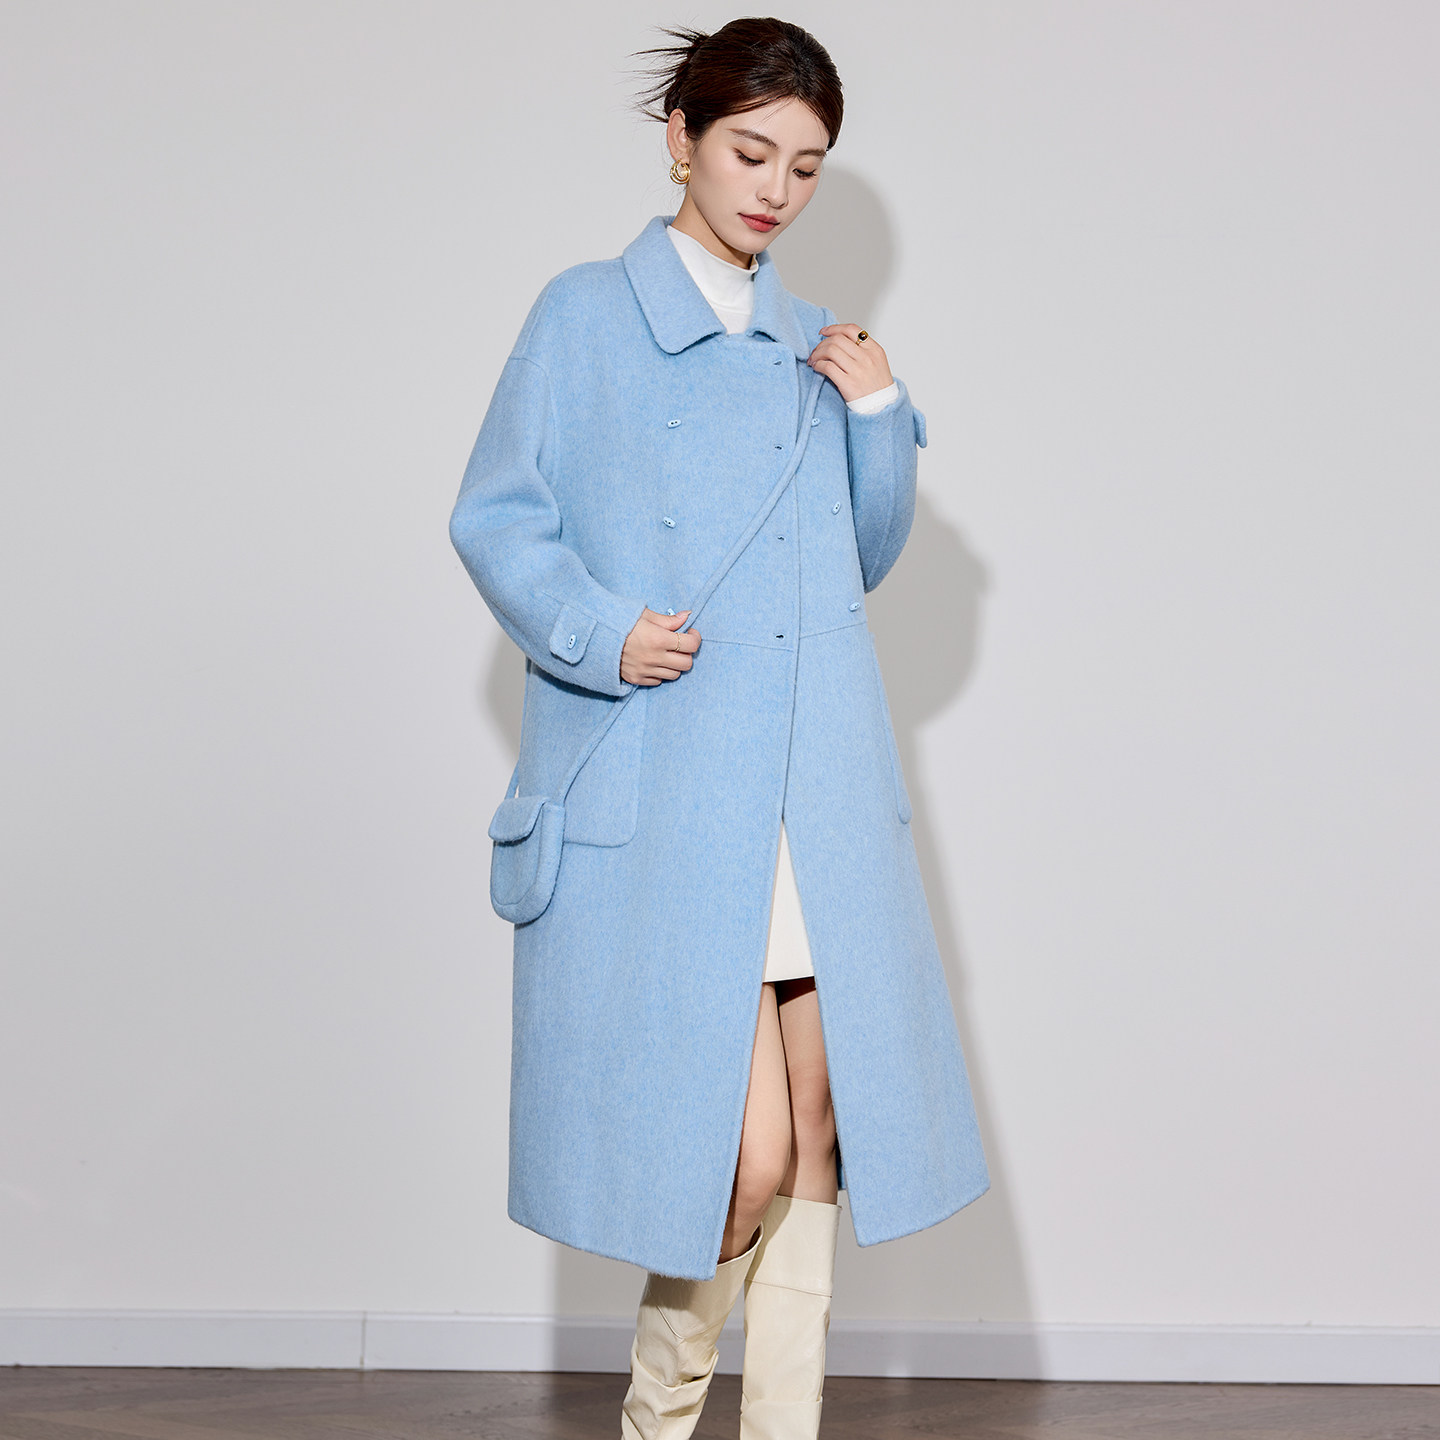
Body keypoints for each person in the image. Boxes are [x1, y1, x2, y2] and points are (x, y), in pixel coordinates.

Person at [448, 17, 989, 1439]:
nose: (775, 190)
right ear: (681, 137)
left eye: (806, 167)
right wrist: (596, 631)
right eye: (752, 152)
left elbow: (857, 562)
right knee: (735, 1156)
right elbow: (496, 513)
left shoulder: (819, 342)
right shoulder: (585, 315)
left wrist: (878, 413)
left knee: (819, 1138)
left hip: (814, 794)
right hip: (677, 797)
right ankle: (658, 1425)